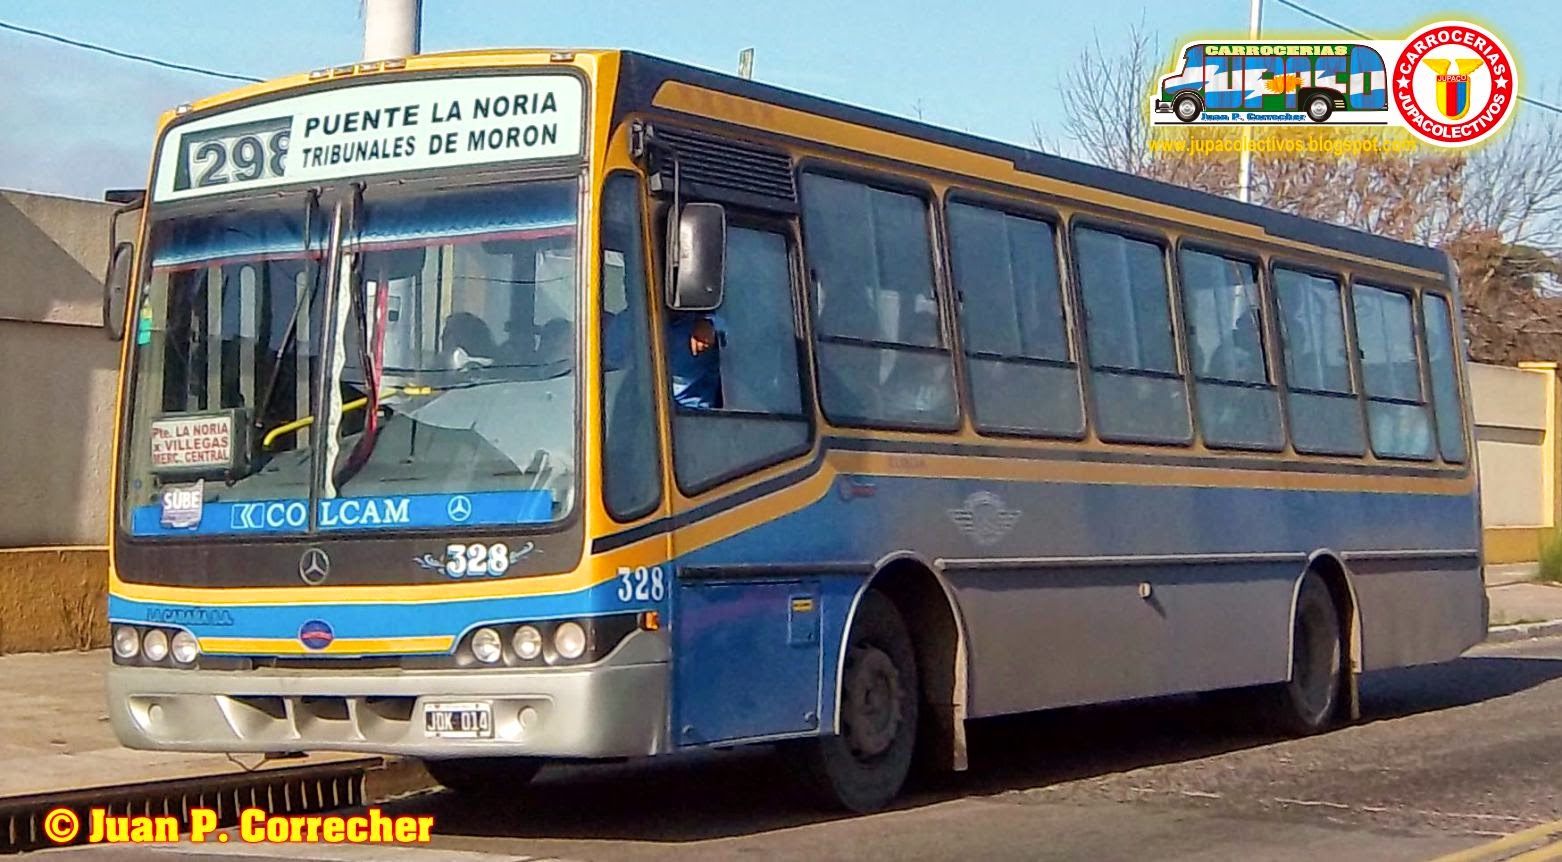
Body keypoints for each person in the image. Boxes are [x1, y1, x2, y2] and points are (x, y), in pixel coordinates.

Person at [667, 311, 723, 409]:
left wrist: (709, 322)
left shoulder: (700, 325)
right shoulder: (635, 322)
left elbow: (735, 326)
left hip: (692, 414)